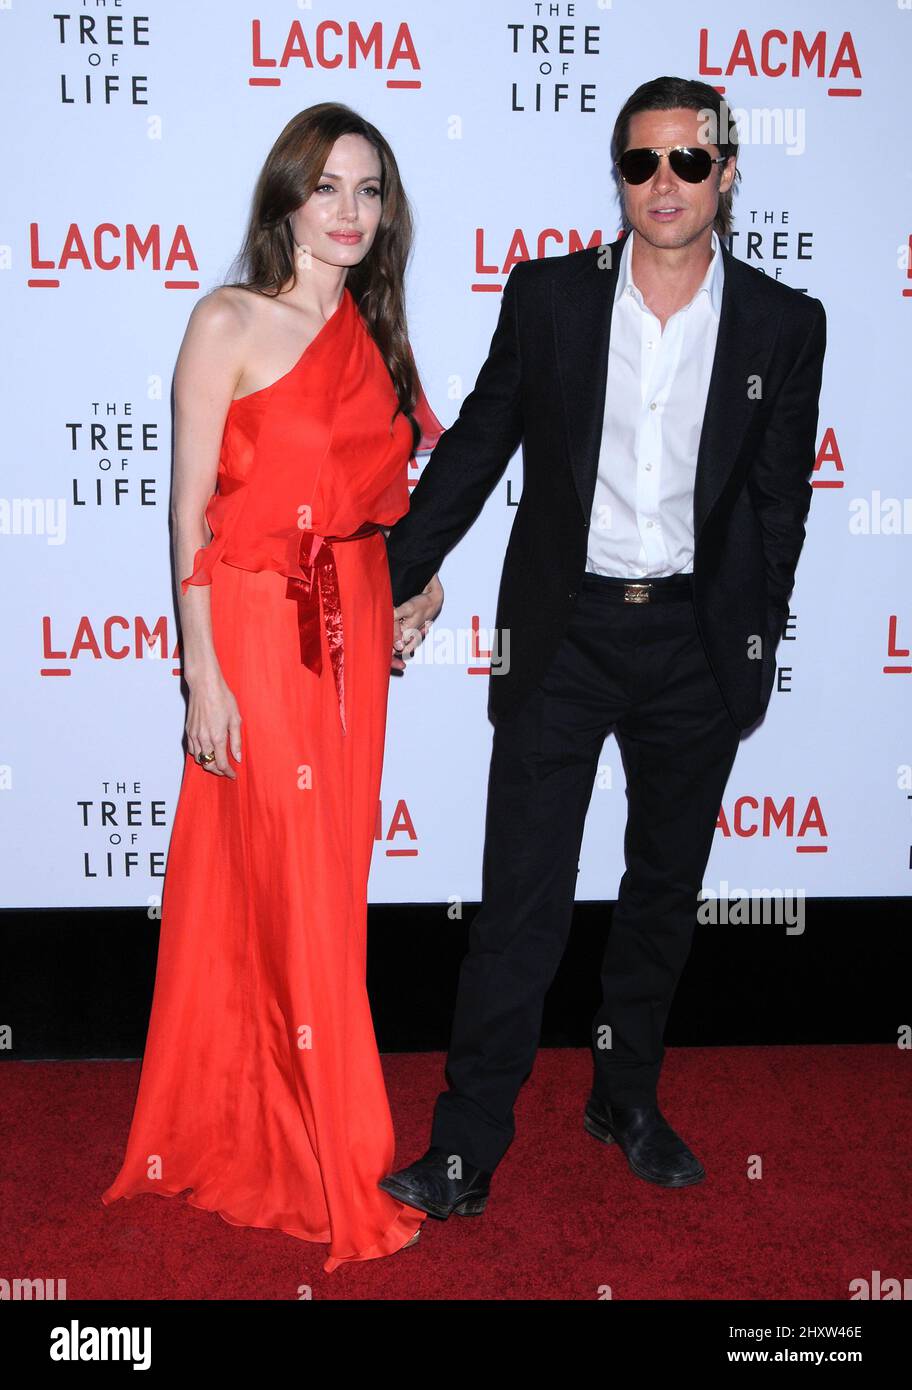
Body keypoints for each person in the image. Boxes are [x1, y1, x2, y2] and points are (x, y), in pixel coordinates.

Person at [381, 75, 827, 1219]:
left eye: (689, 161)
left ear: (729, 172)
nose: (664, 183)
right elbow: (479, 446)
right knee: (520, 897)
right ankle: (469, 1142)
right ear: (618, 177)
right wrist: (390, 567)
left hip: (694, 642)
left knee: (662, 892)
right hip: (564, 631)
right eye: (641, 162)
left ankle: (624, 1094)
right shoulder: (549, 299)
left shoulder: (784, 321)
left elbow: (781, 505)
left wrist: (753, 633)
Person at [101, 102, 443, 1274]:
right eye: (329, 188)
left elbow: (383, 499)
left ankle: (280, 1129)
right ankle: (331, 1161)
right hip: (253, 624)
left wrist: (415, 582)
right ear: (287, 199)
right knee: (280, 884)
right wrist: (201, 669)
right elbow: (187, 507)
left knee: (324, 892)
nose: (349, 211)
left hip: (350, 624)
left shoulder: (379, 332)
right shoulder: (229, 319)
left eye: (369, 191)